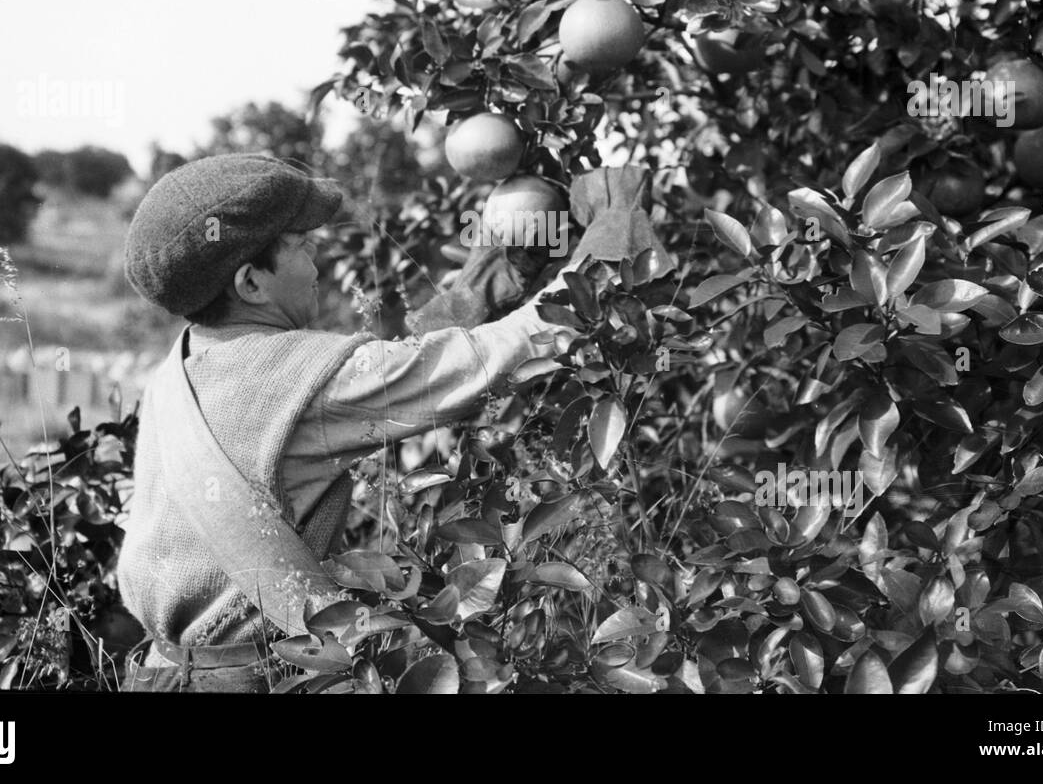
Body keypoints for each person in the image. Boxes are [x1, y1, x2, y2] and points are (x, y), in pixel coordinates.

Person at [116, 152, 666, 691]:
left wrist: (497, 270)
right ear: (251, 284)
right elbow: (492, 358)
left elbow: (400, 361)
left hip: (160, 671)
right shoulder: (300, 381)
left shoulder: (187, 366)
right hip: (252, 679)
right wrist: (616, 227)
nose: (317, 265)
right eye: (303, 248)